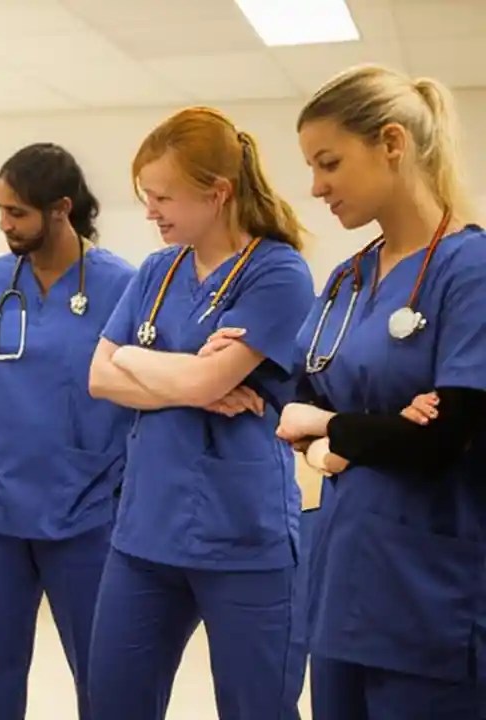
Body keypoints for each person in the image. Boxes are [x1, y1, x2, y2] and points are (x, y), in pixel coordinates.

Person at [86, 106, 315, 719]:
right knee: (111, 703)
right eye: (147, 196)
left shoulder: (279, 272)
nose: (150, 211)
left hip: (243, 537)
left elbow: (195, 377)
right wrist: (182, 378)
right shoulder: (159, 270)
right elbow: (99, 377)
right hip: (145, 531)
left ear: (218, 193)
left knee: (256, 709)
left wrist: (140, 358)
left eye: (163, 197)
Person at [277, 64, 486, 718]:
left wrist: (335, 429)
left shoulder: (470, 269)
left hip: (430, 596)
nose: (315, 187)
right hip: (341, 586)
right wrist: (346, 434)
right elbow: (288, 408)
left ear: (391, 143)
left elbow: (445, 438)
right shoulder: (347, 277)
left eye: (329, 163)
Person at [0, 143, 134, 720]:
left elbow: (141, 388)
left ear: (61, 208)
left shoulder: (121, 284)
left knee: (100, 671)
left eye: (17, 213)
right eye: (0, 211)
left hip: (85, 507)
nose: (4, 224)